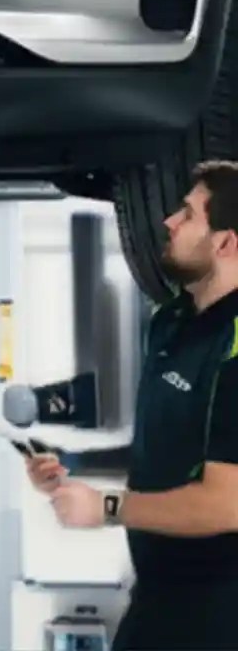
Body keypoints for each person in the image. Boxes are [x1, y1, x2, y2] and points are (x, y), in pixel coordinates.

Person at [39, 159, 238, 650]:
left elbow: (227, 503)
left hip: (219, 612)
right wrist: (71, 463)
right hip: (158, 597)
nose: (168, 222)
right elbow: (163, 449)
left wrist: (108, 507)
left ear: (226, 243)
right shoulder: (172, 321)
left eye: (188, 215)